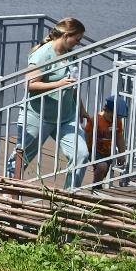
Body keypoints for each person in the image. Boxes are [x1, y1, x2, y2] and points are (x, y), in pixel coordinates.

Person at [13, 18, 86, 189]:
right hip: (39, 115)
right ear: (67, 35)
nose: (79, 43)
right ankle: (8, 193)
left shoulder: (71, 53)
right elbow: (29, 84)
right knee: (21, 158)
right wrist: (57, 85)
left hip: (66, 116)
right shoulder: (43, 54)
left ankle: (69, 198)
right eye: (77, 39)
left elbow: (72, 84)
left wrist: (81, 109)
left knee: (81, 154)